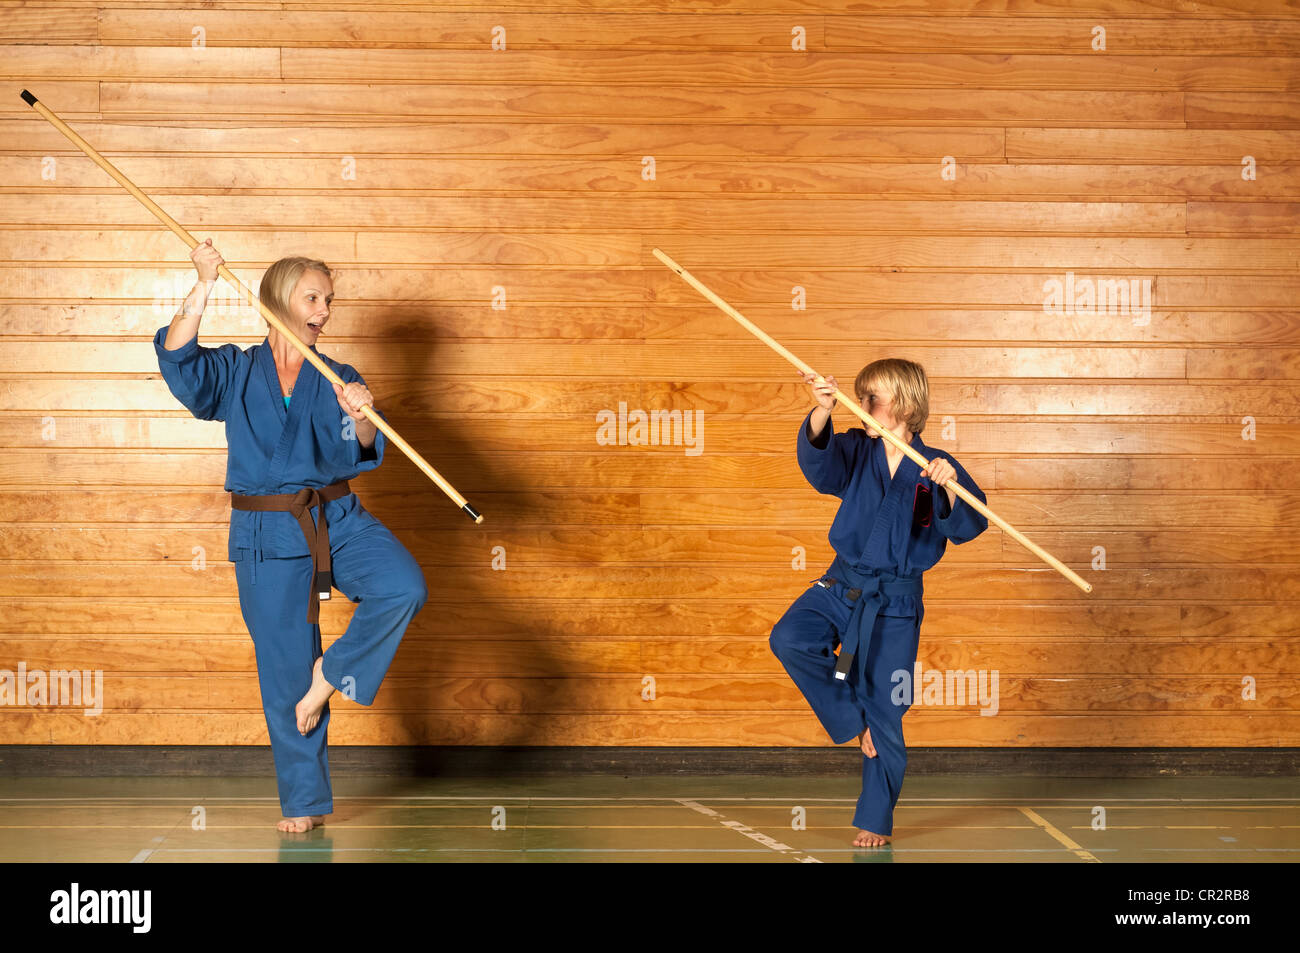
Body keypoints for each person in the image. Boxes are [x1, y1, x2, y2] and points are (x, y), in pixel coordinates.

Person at [154, 239, 428, 832]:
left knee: (403, 586)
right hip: (265, 532)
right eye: (313, 297)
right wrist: (202, 282)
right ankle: (304, 803)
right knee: (283, 668)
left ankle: (331, 676)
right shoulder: (234, 370)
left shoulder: (340, 377)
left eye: (329, 300)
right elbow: (179, 362)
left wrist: (359, 417)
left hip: (338, 519)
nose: (325, 310)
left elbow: (355, 453)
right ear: (280, 300)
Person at [770, 359, 988, 847]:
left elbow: (969, 527)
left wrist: (947, 490)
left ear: (907, 404)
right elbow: (820, 470)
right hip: (841, 586)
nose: (864, 405)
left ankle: (875, 819)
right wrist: (822, 412)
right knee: (790, 637)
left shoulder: (935, 469)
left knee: (887, 706)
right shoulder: (855, 449)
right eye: (860, 395)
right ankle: (852, 718)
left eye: (875, 397)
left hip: (893, 606)